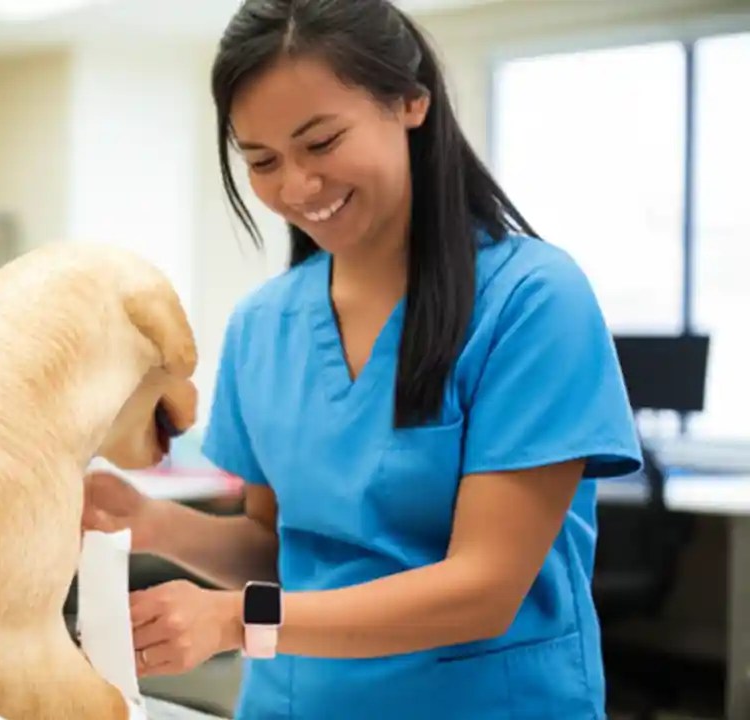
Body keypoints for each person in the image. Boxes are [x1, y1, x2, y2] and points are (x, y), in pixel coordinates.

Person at [80, 0, 643, 718]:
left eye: (321, 142)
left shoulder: (531, 302)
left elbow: (485, 588)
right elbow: (281, 548)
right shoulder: (264, 325)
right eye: (262, 161)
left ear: (411, 102)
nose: (296, 187)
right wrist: (151, 524)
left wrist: (232, 619)